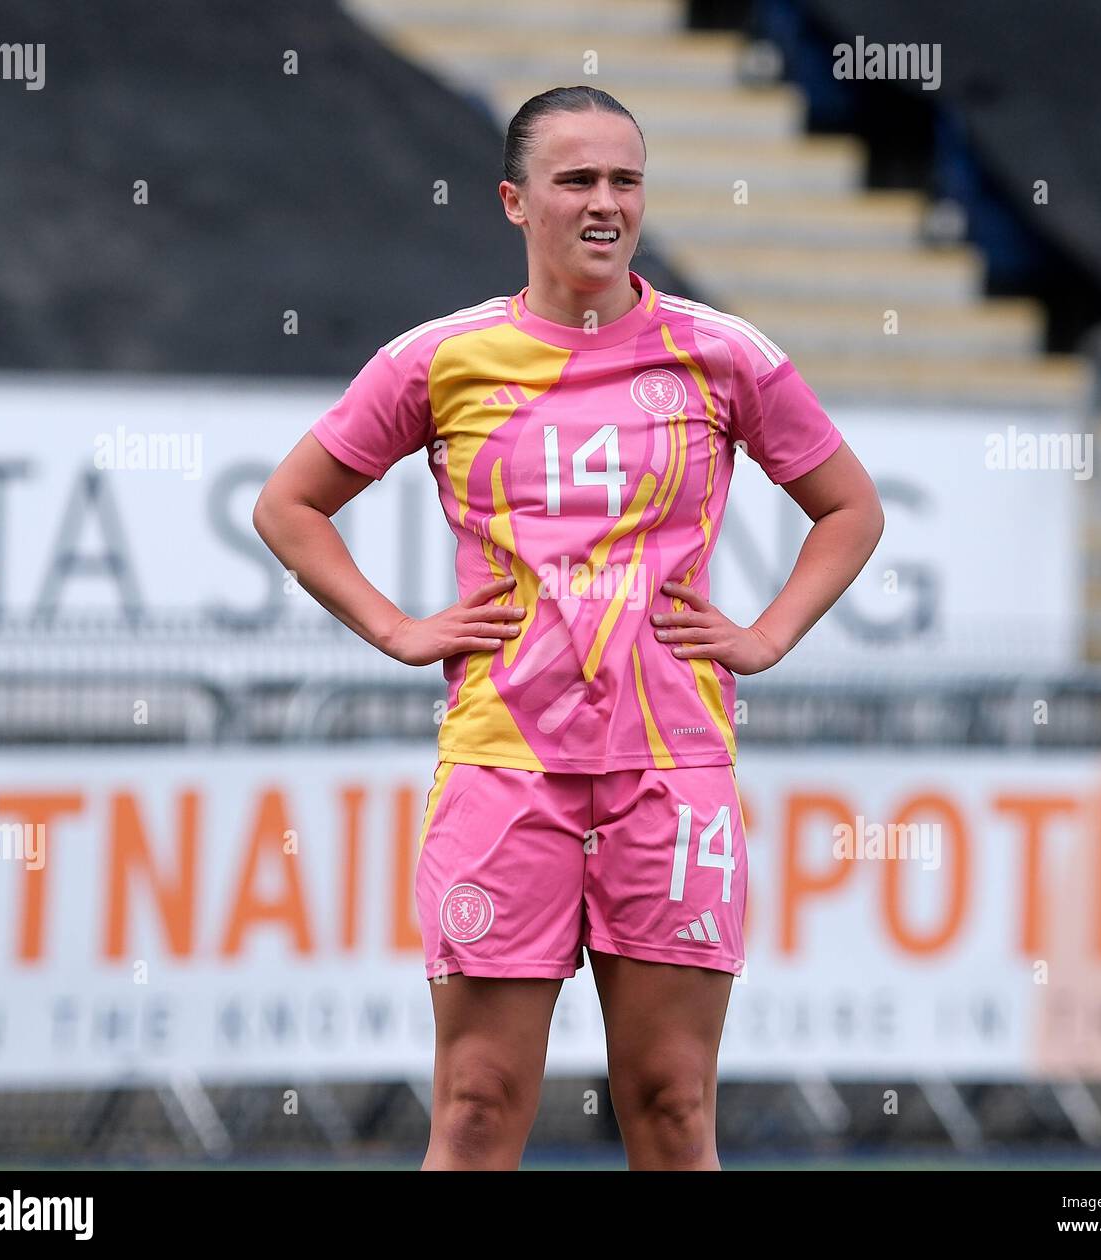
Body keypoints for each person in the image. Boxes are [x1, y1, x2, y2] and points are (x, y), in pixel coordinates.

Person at [253, 85, 884, 1171]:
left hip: (670, 770)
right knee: (479, 1108)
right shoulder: (438, 360)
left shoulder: (721, 355)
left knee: (672, 1106)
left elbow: (850, 508)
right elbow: (288, 505)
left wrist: (768, 637)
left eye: (625, 180)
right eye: (576, 180)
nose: (605, 203)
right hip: (505, 773)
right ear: (513, 201)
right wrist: (398, 629)